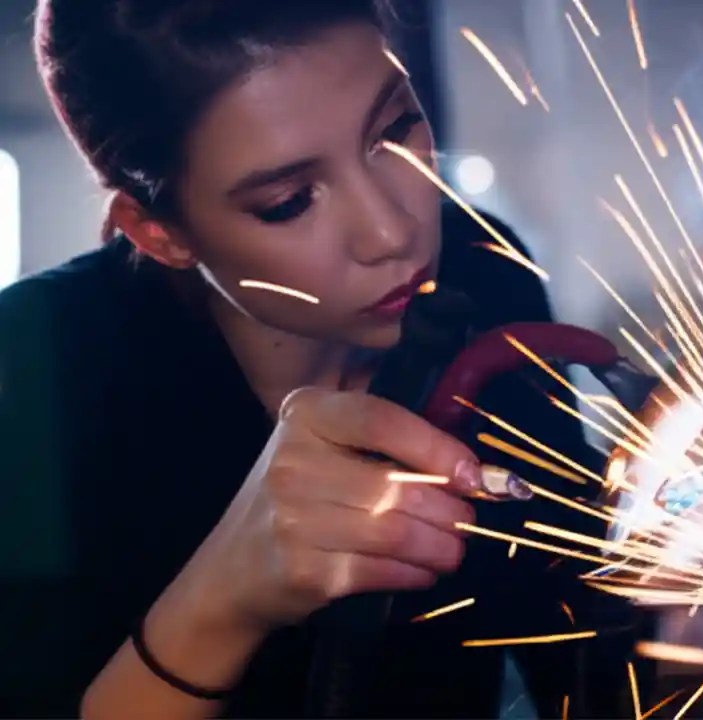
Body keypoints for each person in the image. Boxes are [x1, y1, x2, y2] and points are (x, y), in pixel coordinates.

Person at [0, 1, 640, 717]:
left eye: (395, 131)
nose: (392, 231)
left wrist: (671, 580)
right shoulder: (31, 366)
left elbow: (585, 658)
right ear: (156, 231)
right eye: (289, 201)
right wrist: (222, 601)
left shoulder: (484, 269)